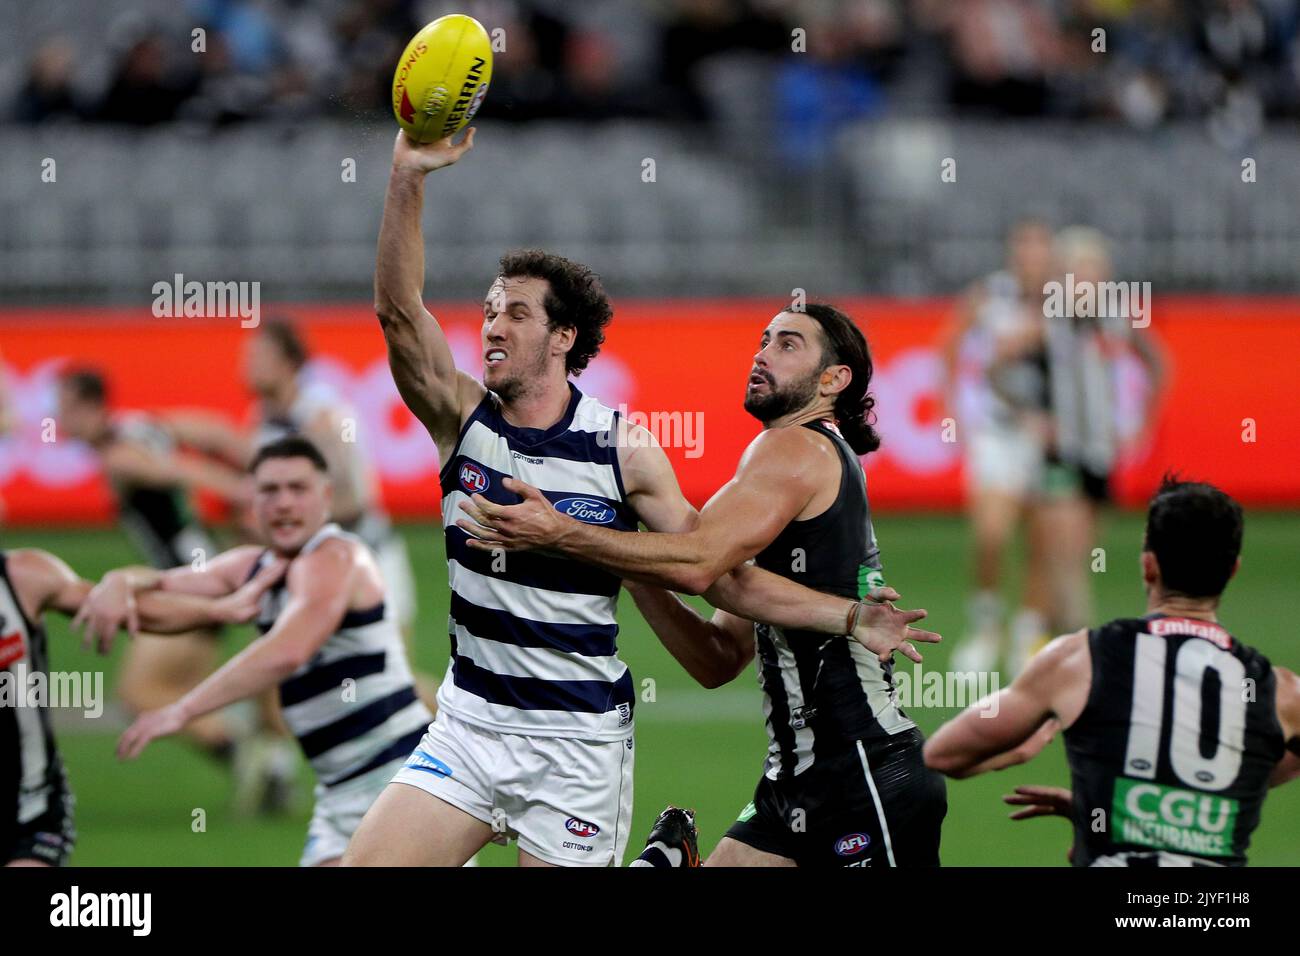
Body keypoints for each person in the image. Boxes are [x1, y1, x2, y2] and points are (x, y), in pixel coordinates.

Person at [343, 129, 936, 868]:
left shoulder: (623, 451)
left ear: (562, 337)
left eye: (517, 313)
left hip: (577, 742)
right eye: (490, 309)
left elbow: (719, 577)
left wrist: (844, 615)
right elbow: (399, 312)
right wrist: (407, 175)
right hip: (469, 724)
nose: (492, 324)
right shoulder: (459, 418)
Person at [458, 302, 949, 867]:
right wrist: (626, 561)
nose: (762, 353)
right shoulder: (788, 486)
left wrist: (564, 532)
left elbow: (697, 564)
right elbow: (717, 658)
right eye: (763, 340)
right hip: (796, 785)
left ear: (833, 380)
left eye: (788, 344)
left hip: (862, 772)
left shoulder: (795, 448)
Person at [77, 436, 432, 867]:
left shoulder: (338, 558)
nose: (283, 503)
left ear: (324, 497)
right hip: (338, 794)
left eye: (297, 489)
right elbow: (161, 588)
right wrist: (118, 582)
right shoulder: (252, 566)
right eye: (269, 490)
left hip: (399, 785)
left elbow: (287, 652)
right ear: (252, 500)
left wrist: (183, 709)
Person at [923, 477, 1300, 866]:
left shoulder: (1079, 659)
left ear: (1148, 565)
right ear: (1233, 570)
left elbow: (943, 754)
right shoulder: (1280, 692)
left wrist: (1018, 755)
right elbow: (1252, 768)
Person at [55, 367, 281, 788]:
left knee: (138, 693)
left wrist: (242, 490)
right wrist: (249, 462)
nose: (58, 419)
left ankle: (250, 753)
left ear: (89, 407)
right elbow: (210, 431)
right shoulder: (141, 427)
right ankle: (261, 751)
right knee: (184, 688)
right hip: (203, 577)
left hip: (187, 586)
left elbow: (175, 472)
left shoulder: (119, 456)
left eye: (65, 409)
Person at [2, 544, 268, 866]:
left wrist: (218, 610)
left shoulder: (25, 577)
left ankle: (247, 752)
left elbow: (136, 610)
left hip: (30, 809)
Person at [940, 218, 1056, 676]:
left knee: (1043, 539)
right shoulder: (990, 296)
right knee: (991, 534)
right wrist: (953, 411)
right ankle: (986, 627)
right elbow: (949, 347)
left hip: (1048, 437)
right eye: (1024, 247)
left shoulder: (1066, 303)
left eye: (1039, 249)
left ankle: (1029, 634)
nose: (1031, 257)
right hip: (997, 431)